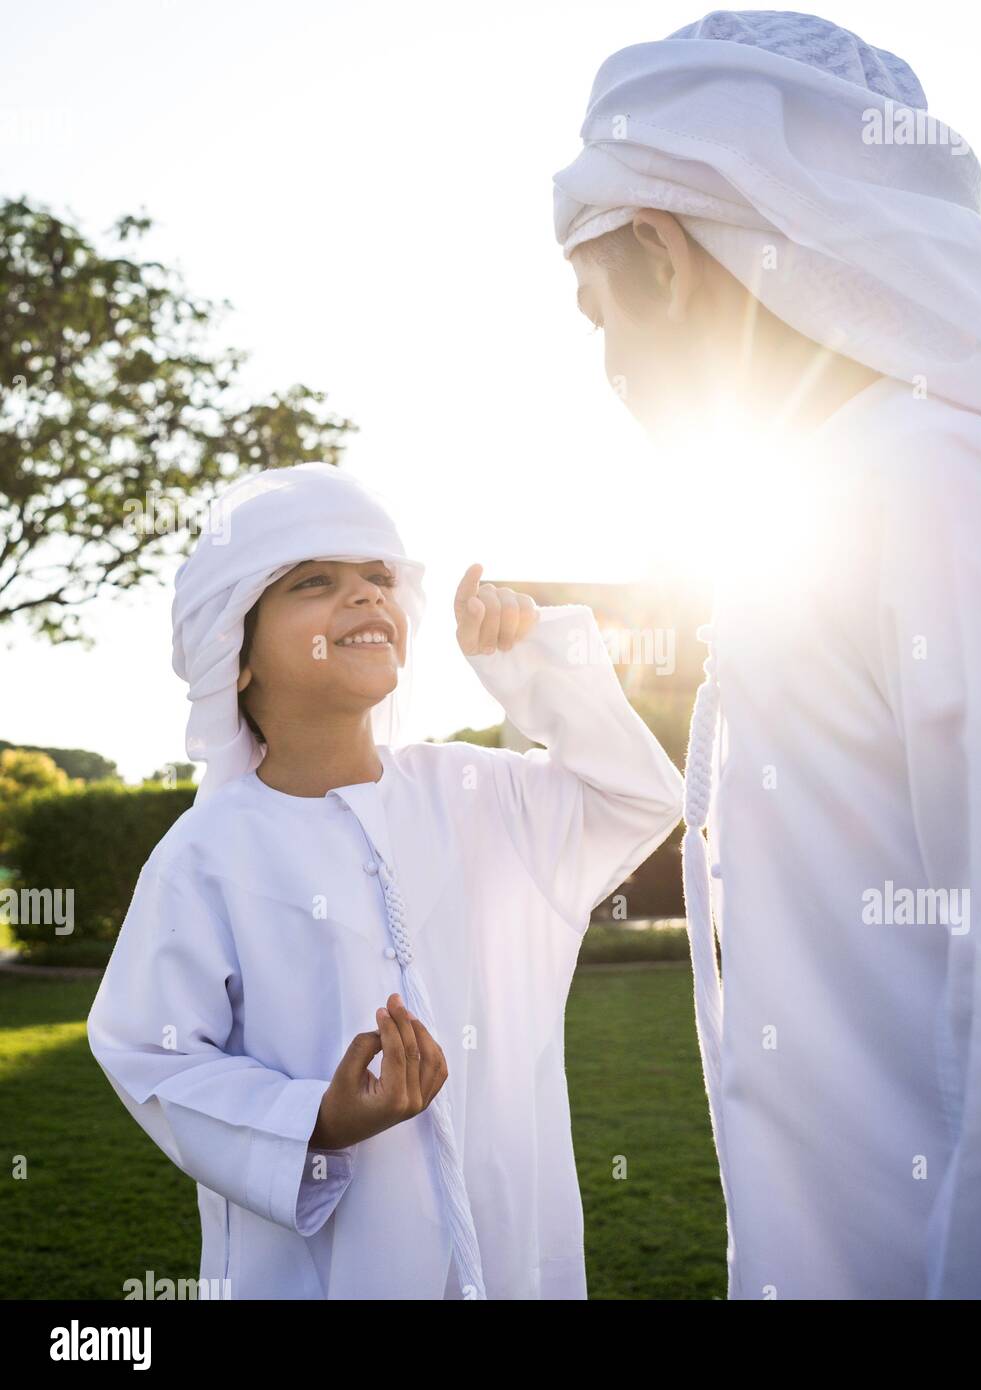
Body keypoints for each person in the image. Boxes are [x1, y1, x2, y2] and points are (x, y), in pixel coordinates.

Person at [553, 11, 981, 1299]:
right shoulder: (844, 496)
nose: (604, 363)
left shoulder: (935, 484)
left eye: (596, 310)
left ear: (661, 252)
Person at [86, 462, 684, 1299]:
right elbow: (149, 1052)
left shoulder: (481, 793)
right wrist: (318, 1122)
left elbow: (641, 796)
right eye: (315, 582)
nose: (368, 597)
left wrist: (531, 666)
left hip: (516, 1257)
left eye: (379, 577)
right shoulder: (206, 855)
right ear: (235, 649)